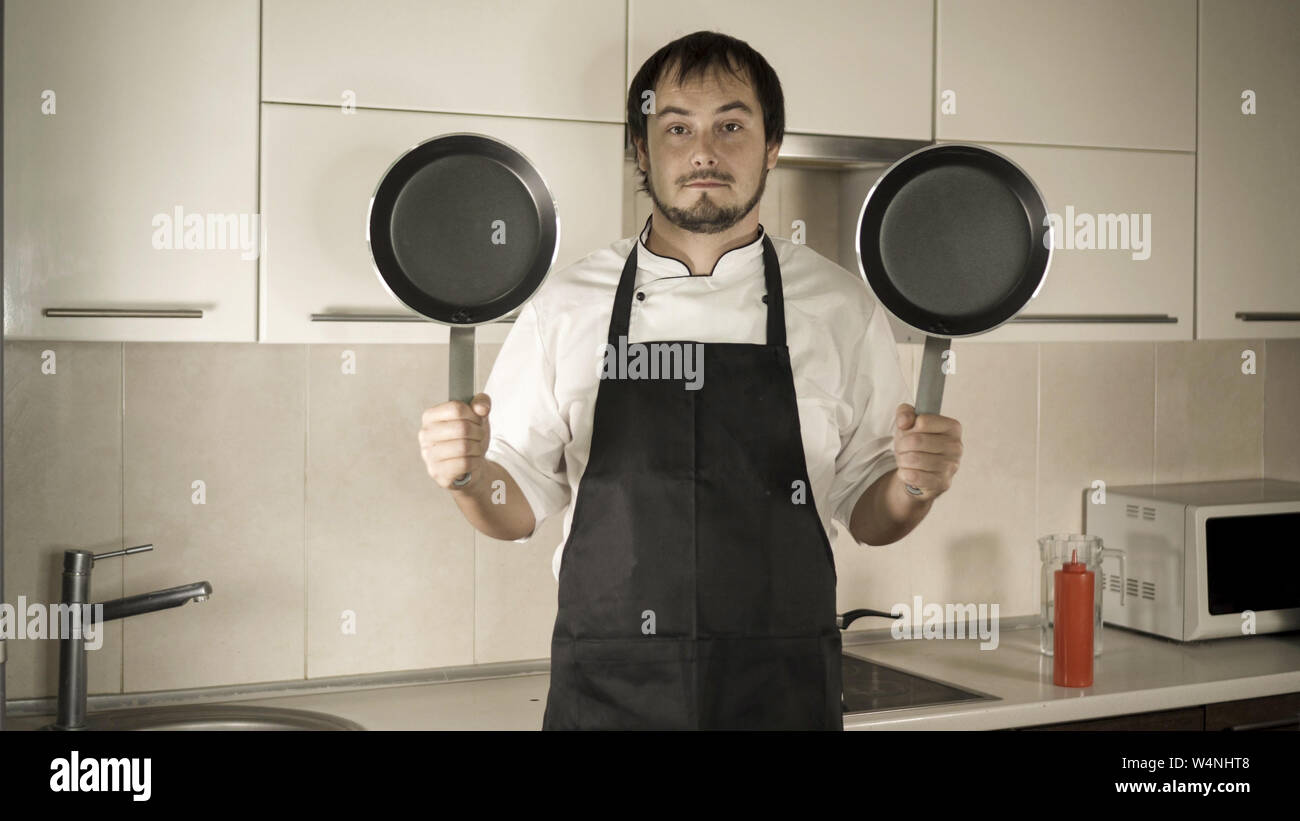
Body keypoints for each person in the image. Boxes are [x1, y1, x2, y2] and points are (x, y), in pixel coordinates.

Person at [417, 31, 963, 730]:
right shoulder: (566, 306)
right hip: (609, 698)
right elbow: (514, 502)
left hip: (782, 696)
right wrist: (468, 478)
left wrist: (914, 488)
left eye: (731, 126)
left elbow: (869, 511)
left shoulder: (841, 308)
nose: (704, 151)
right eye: (677, 127)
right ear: (642, 151)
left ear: (772, 147)